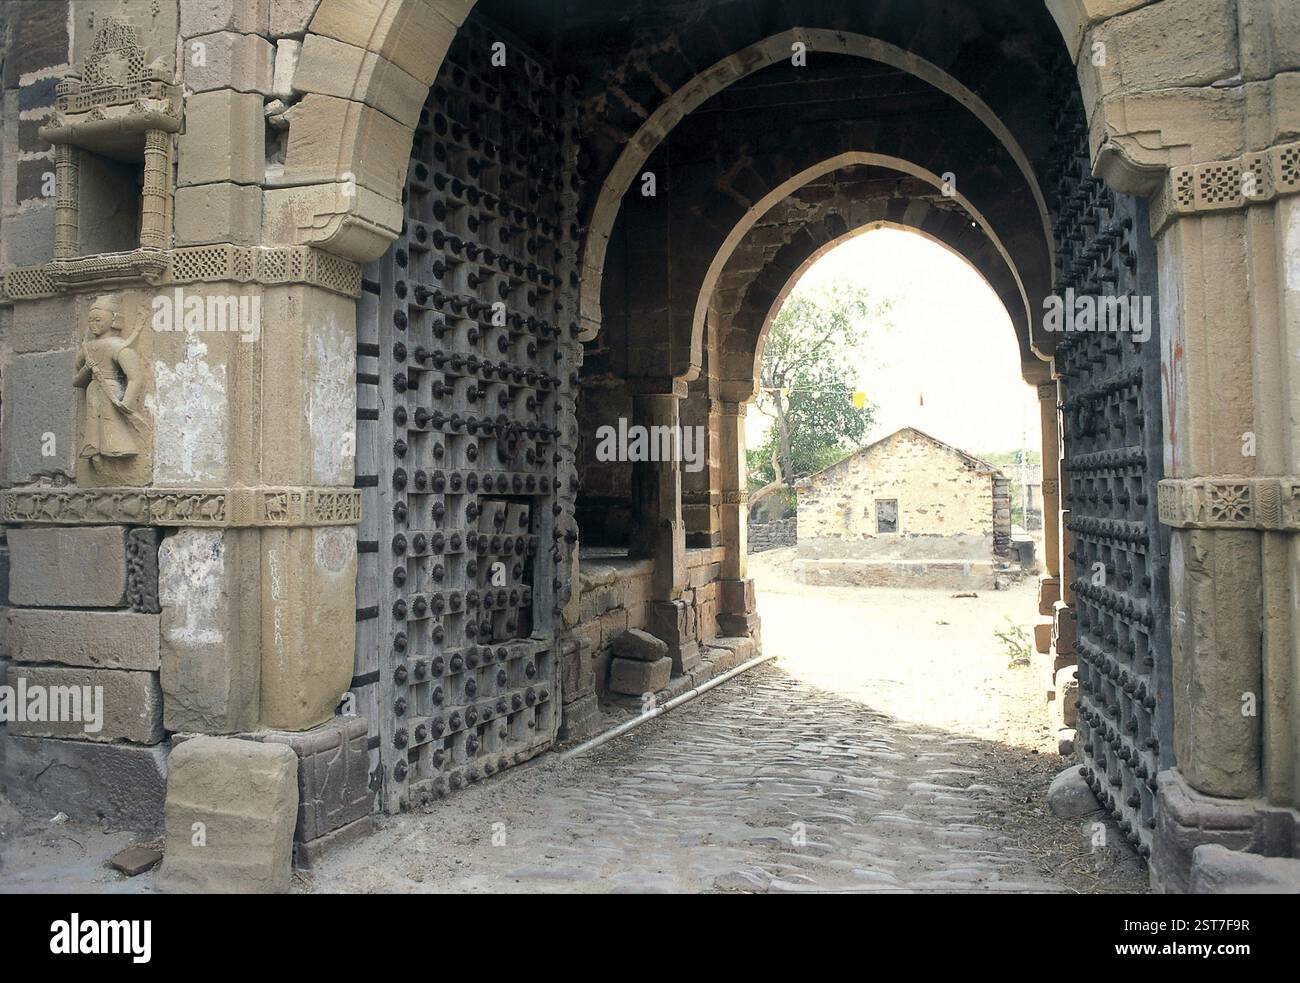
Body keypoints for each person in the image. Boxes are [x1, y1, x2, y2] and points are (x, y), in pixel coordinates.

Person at [73, 294, 145, 464]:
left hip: (111, 389)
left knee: (110, 421)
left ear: (113, 319)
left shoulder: (118, 346)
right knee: (92, 423)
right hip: (93, 389)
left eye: (98, 320)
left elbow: (135, 378)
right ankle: (92, 450)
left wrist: (126, 403)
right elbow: (77, 381)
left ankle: (117, 448)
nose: (93, 324)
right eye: (91, 320)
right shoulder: (88, 348)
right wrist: (86, 368)